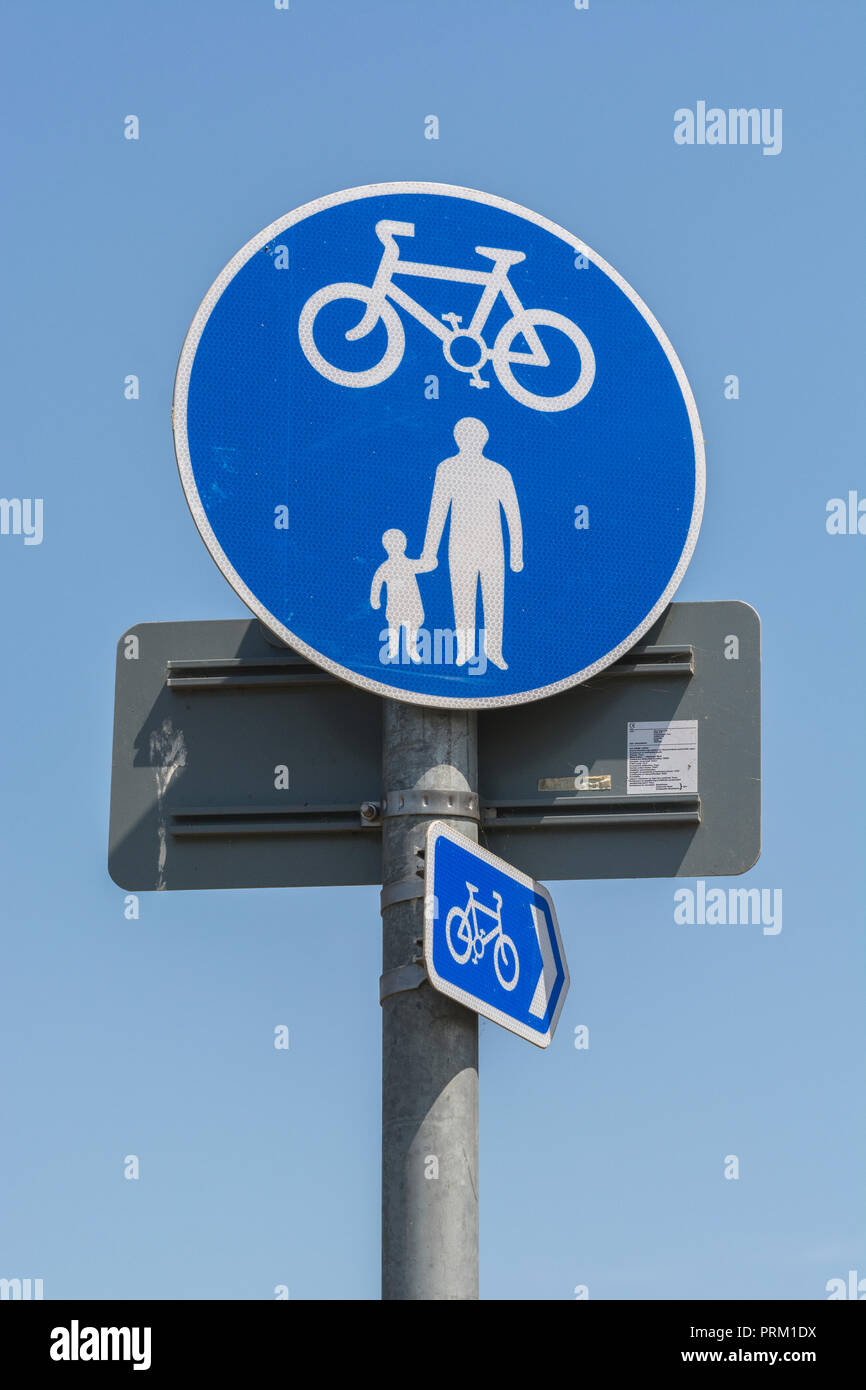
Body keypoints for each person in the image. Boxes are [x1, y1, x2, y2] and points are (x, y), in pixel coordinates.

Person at [419, 418, 523, 669]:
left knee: (494, 599)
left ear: (484, 439)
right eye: (465, 435)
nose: (470, 440)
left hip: (492, 547)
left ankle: (494, 651)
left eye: (475, 435)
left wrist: (516, 554)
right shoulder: (448, 468)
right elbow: (438, 511)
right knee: (463, 598)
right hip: (460, 546)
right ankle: (464, 650)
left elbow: (513, 514)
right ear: (457, 438)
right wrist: (429, 552)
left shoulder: (498, 471)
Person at [370, 528, 426, 663]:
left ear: (405, 544)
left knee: (412, 628)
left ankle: (412, 650)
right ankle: (393, 650)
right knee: (394, 627)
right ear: (386, 547)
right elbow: (376, 583)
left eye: (400, 542)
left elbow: (424, 565)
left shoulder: (408, 564)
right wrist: (375, 600)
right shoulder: (386, 567)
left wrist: (431, 561)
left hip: (411, 605)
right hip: (395, 606)